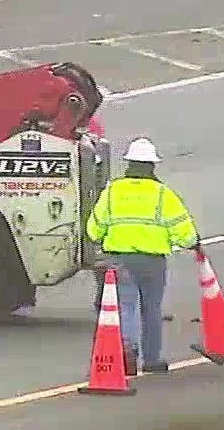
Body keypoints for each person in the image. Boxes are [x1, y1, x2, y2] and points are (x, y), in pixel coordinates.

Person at [84, 137, 204, 376]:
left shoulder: (112, 192)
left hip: (120, 259)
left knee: (127, 306)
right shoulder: (163, 195)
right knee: (152, 309)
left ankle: (128, 352)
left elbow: (93, 230)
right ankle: (152, 359)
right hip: (153, 262)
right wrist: (195, 244)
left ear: (129, 164)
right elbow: (184, 233)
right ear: (151, 166)